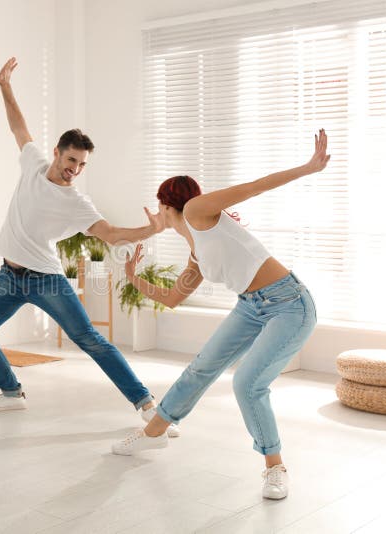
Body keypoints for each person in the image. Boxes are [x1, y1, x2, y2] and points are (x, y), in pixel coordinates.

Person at [0, 57, 179, 437]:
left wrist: (152, 230)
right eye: (71, 160)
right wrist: (5, 87)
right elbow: (18, 127)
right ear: (57, 152)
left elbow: (110, 234)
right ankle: (11, 391)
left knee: (90, 340)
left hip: (45, 279)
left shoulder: (76, 202)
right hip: (8, 275)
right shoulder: (33, 163)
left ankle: (147, 405)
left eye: (81, 164)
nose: (75, 169)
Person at [110, 130, 330, 500]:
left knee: (248, 383)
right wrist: (133, 278)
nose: (155, 213)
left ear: (167, 206)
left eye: (158, 207)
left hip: (289, 304)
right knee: (201, 368)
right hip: (251, 306)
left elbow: (255, 185)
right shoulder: (195, 250)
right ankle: (153, 435)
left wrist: (308, 168)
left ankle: (275, 468)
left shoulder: (198, 212)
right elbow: (173, 297)